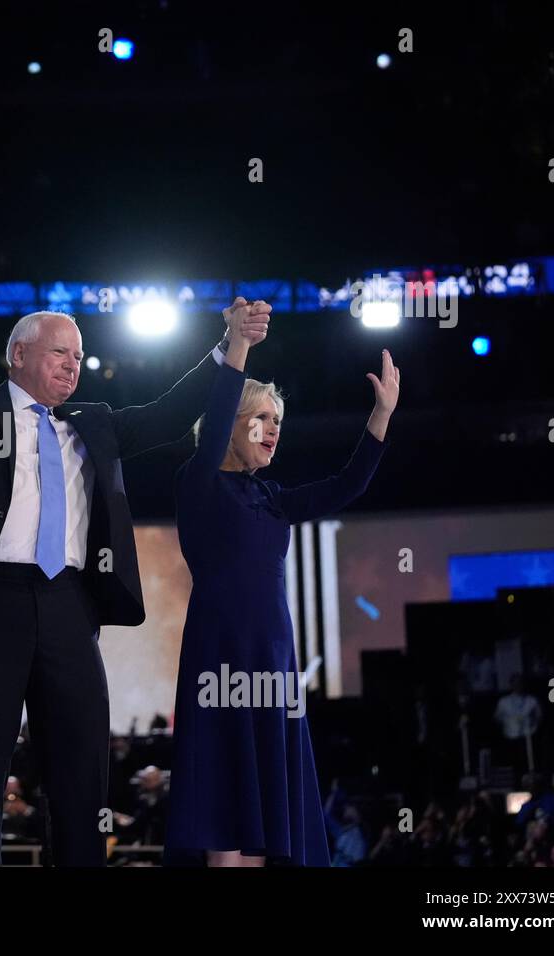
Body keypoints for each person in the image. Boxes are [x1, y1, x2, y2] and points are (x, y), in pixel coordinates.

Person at [0, 287, 267, 865]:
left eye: (79, 357)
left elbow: (168, 412)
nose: (73, 365)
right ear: (18, 356)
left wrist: (230, 345)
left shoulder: (95, 423)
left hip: (69, 604)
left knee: (82, 767)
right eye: (60, 352)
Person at [164, 309, 398, 866]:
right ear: (232, 422)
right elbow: (215, 420)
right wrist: (239, 348)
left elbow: (347, 486)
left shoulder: (272, 497)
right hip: (220, 656)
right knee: (224, 787)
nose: (274, 430)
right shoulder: (199, 484)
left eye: (279, 422)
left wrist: (381, 417)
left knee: (269, 809)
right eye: (262, 418)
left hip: (274, 659)